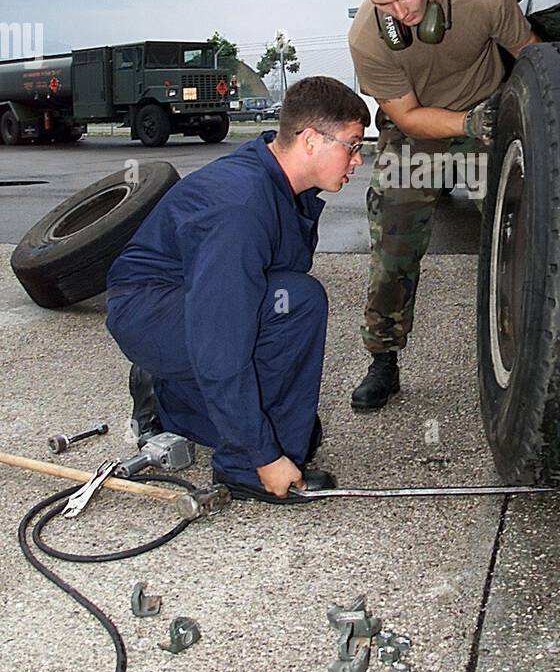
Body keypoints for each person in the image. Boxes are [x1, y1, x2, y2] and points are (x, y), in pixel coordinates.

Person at [105, 76, 369, 502]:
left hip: (186, 300)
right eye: (353, 145)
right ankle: (242, 470)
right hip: (150, 311)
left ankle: (168, 397)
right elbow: (220, 340)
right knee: (298, 305)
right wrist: (262, 456)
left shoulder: (281, 181)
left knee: (300, 428)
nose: (358, 160)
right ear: (308, 140)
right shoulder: (241, 207)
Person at [345, 0, 540, 411]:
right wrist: (469, 122)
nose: (401, 12)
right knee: (394, 245)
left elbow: (532, 54)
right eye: (383, 4)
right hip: (417, 134)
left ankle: (531, 355)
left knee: (521, 234)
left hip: (488, 118)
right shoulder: (368, 39)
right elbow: (408, 115)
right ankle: (384, 360)